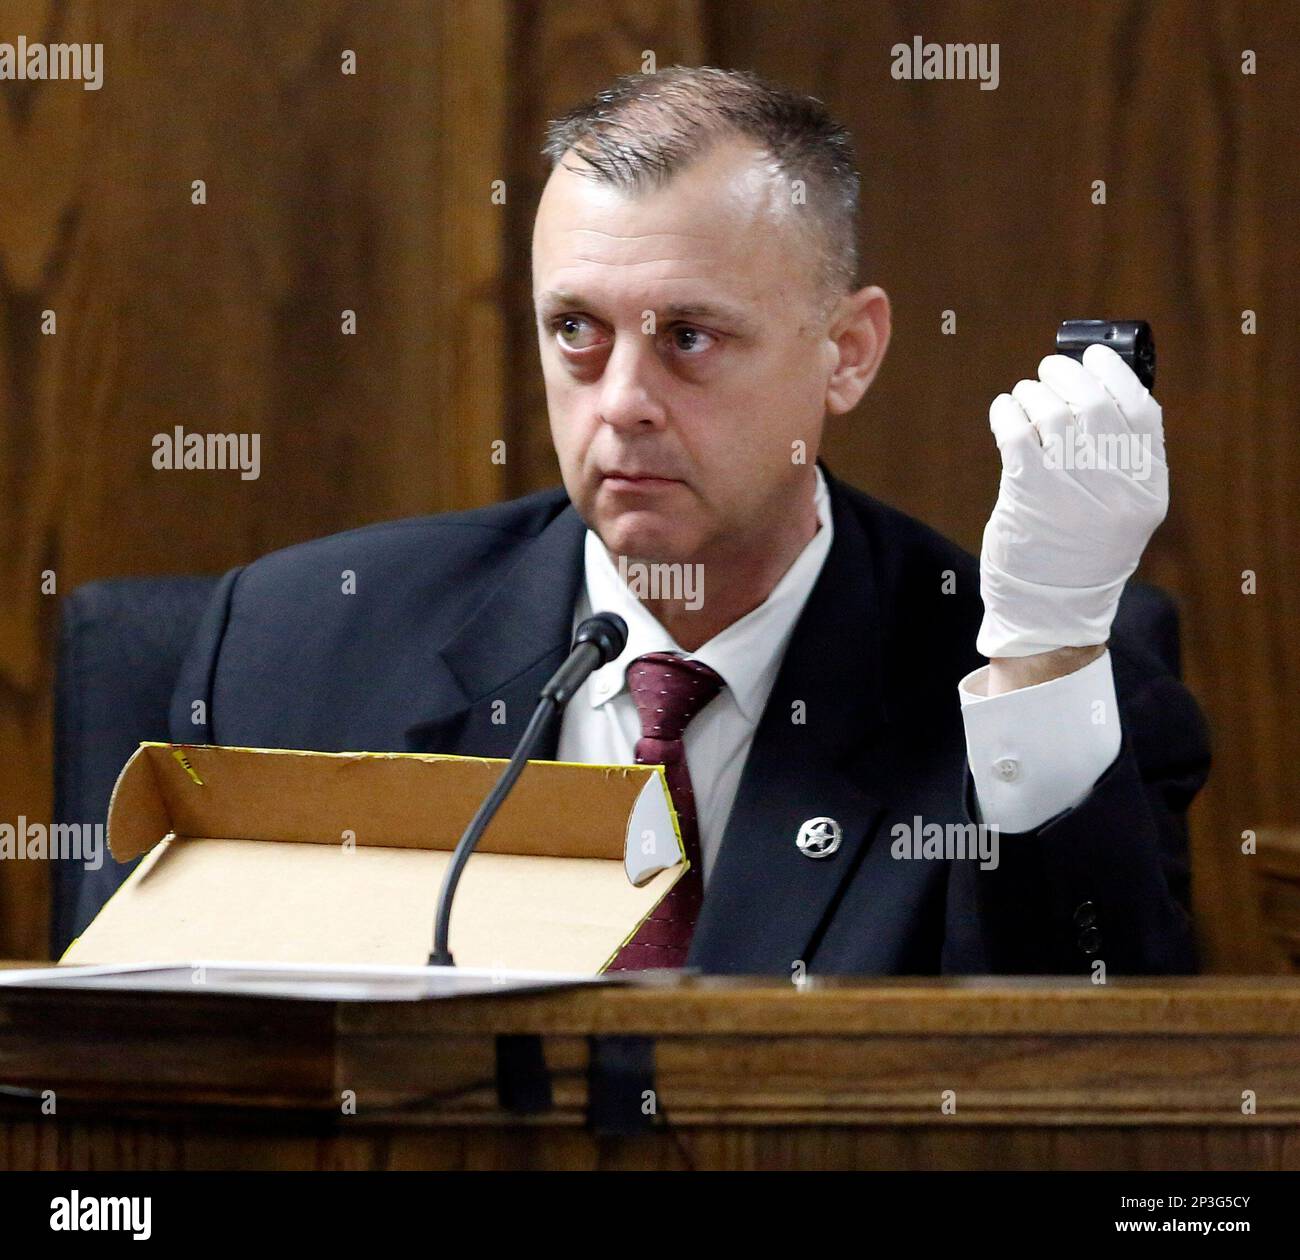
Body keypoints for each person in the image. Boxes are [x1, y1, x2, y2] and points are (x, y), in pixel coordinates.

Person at [172, 67, 1209, 976]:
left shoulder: (1039, 693)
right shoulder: (294, 647)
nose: (621, 399)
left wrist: (1040, 657)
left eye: (689, 336)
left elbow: (1092, 1070)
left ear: (847, 352)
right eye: (575, 329)